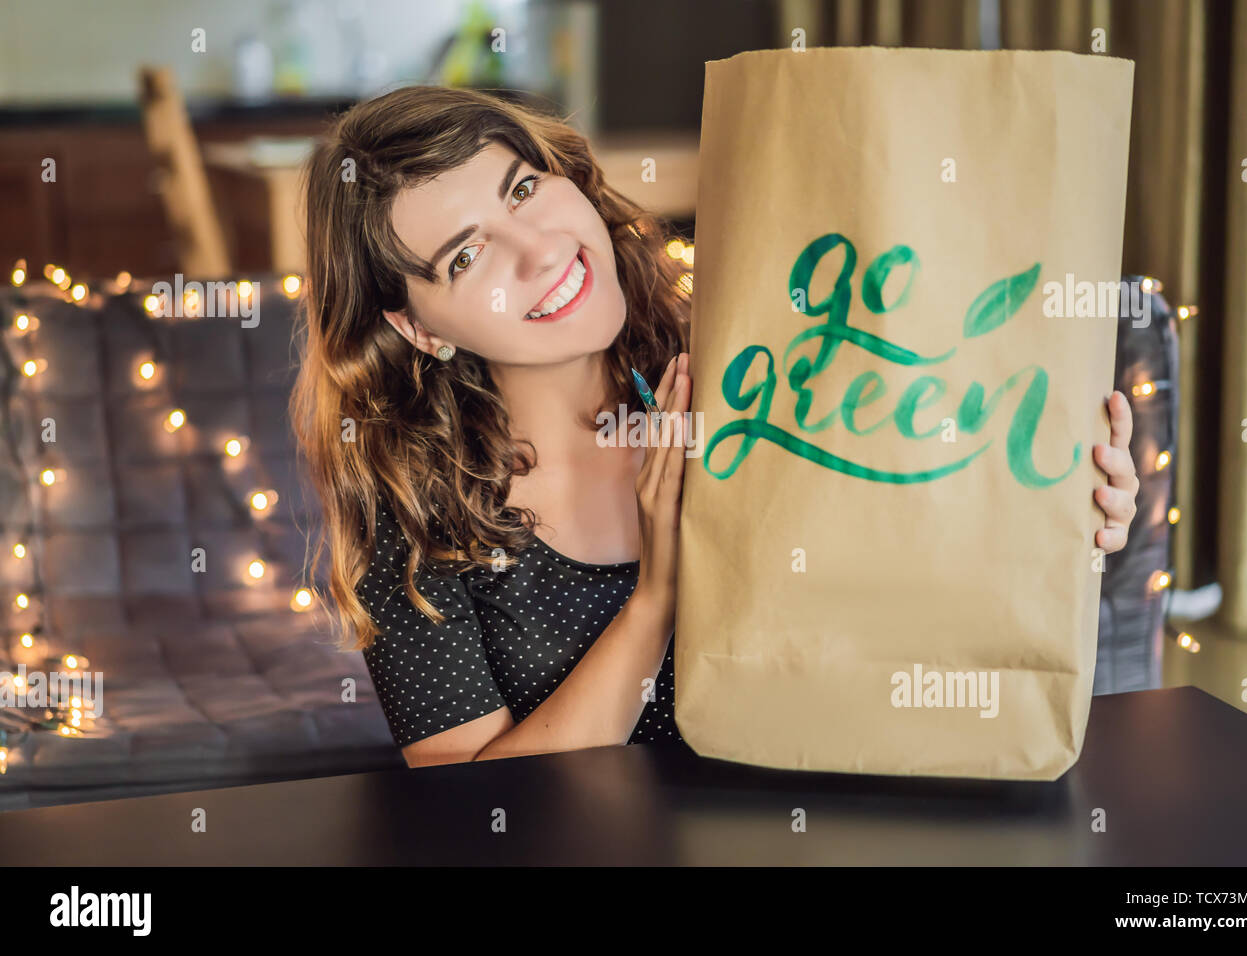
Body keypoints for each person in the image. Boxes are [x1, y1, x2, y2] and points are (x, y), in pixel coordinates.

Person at [289, 85, 1140, 771]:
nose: (540, 251)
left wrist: (1051, 505)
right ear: (416, 328)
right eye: (467, 256)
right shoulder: (413, 515)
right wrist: (656, 598)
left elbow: (912, 571)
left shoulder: (761, 366)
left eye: (523, 189)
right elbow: (471, 805)